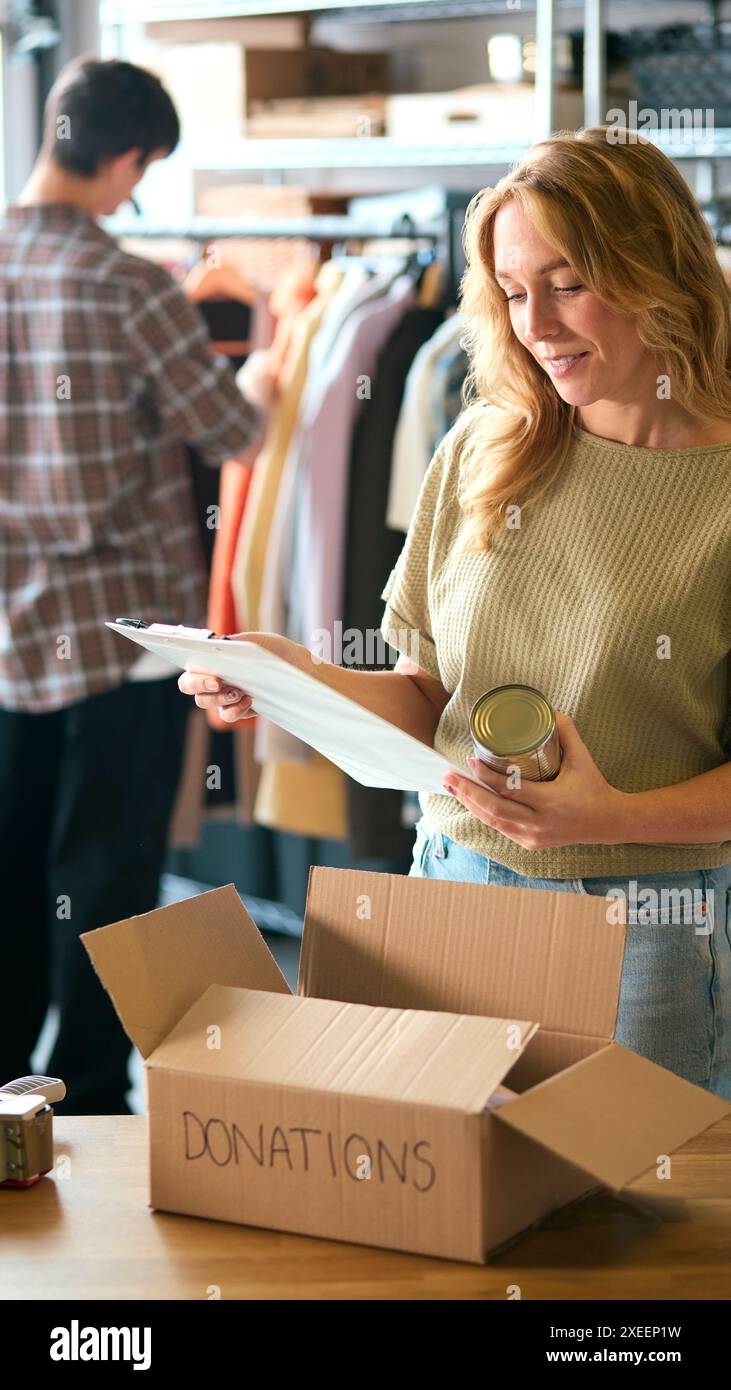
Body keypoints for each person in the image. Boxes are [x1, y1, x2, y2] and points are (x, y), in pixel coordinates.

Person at [179, 128, 731, 1101]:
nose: (536, 326)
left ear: (657, 269)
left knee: (635, 1223)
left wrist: (612, 818)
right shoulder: (483, 447)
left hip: (648, 922)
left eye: (566, 283)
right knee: (448, 1205)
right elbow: (431, 696)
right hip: (455, 883)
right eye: (514, 294)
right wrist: (288, 676)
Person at [0, 58, 269, 1113]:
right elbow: (232, 428)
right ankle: (95, 1101)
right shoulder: (130, 283)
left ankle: (9, 1102)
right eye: (140, 174)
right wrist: (272, 371)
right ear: (124, 159)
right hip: (123, 637)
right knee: (109, 885)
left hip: (10, 644)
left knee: (14, 870)